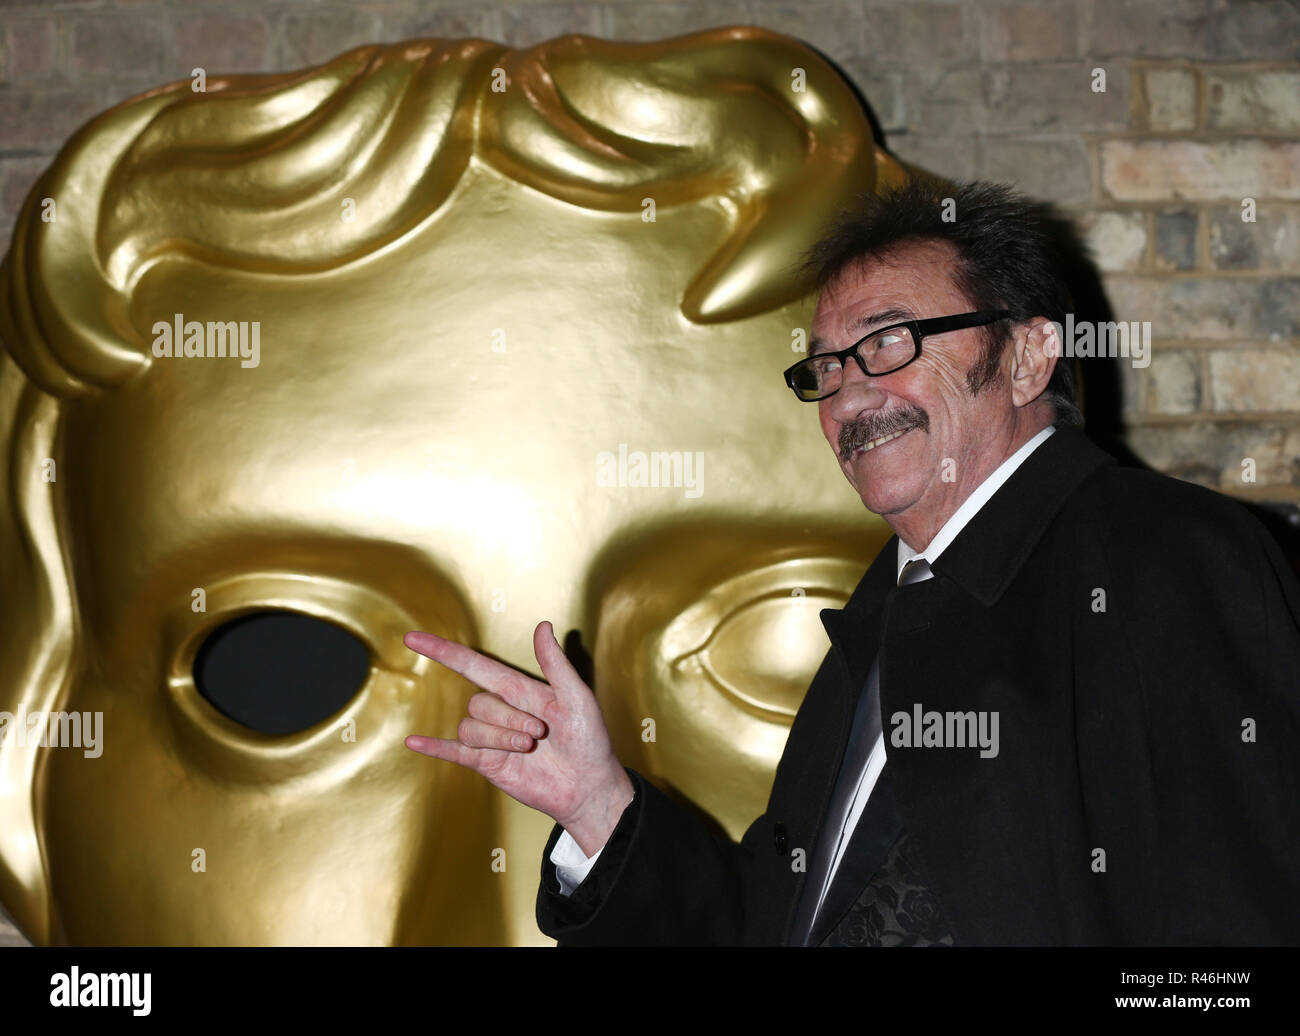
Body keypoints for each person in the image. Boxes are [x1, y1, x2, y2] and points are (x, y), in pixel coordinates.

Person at [403, 178, 1300, 945]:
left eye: (889, 341)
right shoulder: (885, 614)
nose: (849, 394)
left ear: (1028, 355)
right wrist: (598, 807)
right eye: (825, 366)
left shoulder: (1169, 558)